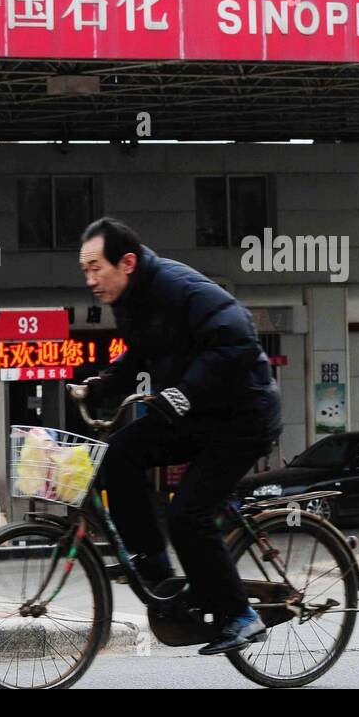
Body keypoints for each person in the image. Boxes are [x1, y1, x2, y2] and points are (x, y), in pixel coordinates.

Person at [73, 217, 282, 656]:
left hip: (243, 417)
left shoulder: (176, 285)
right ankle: (154, 563)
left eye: (96, 268)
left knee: (188, 515)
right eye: (85, 269)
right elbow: (143, 353)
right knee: (120, 453)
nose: (90, 279)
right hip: (197, 414)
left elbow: (239, 338)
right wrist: (99, 386)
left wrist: (185, 393)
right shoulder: (133, 300)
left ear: (127, 262)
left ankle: (240, 616)